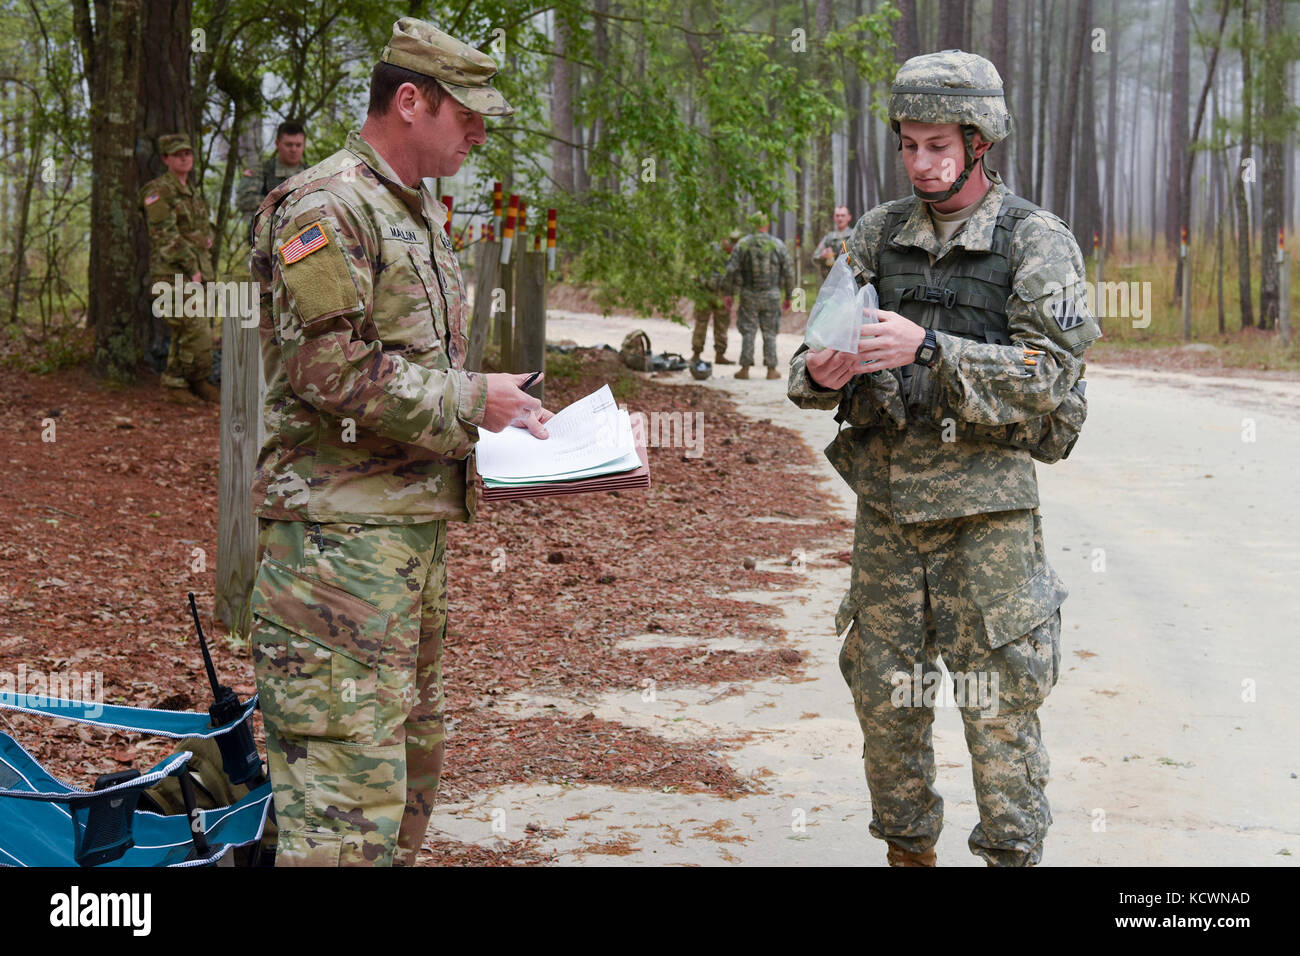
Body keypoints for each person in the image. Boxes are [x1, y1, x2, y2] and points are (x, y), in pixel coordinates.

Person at [247, 17, 553, 867]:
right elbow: (326, 368)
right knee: (345, 804)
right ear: (409, 100)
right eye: (469, 114)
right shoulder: (327, 203)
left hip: (402, 537)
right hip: (335, 550)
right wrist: (467, 401)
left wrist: (497, 417)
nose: (480, 132)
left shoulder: (411, 210)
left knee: (406, 778)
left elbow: (408, 362)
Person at [787, 50, 1099, 867]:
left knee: (999, 709)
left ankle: (1011, 858)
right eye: (908, 145)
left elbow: (1052, 377)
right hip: (888, 516)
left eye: (937, 146)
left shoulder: (1036, 242)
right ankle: (907, 853)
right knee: (886, 706)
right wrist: (820, 371)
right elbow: (809, 361)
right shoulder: (876, 236)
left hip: (987, 520)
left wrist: (931, 349)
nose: (920, 163)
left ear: (980, 140)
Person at [140, 133, 218, 405]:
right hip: (173, 274)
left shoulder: (192, 191)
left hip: (197, 271)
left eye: (187, 153)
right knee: (197, 330)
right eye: (177, 154)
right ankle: (190, 380)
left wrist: (206, 239)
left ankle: (181, 383)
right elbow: (164, 234)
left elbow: (198, 228)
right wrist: (190, 265)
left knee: (187, 330)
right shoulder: (157, 190)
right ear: (165, 159)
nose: (184, 157)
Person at [723, 212, 794, 380]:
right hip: (772, 295)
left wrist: (728, 293)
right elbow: (789, 273)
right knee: (770, 332)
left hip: (749, 294)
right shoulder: (778, 245)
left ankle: (745, 369)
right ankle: (771, 369)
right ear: (767, 225)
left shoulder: (743, 244)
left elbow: (730, 270)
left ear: (753, 225)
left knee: (748, 331)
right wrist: (789, 297)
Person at [236, 120, 308, 234]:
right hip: (266, 238)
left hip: (302, 236)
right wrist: (280, 203)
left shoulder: (311, 174)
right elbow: (244, 200)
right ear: (277, 144)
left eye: (298, 145)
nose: (294, 149)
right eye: (289, 145)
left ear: (304, 145)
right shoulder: (262, 170)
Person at [691, 229, 739, 365]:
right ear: (723, 240)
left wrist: (731, 293)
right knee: (701, 323)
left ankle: (720, 354)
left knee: (722, 325)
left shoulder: (732, 255)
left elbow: (735, 276)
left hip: (722, 294)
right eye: (731, 242)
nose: (732, 246)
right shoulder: (710, 251)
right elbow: (697, 270)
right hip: (706, 293)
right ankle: (696, 353)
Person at [812, 205, 855, 279]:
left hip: (850, 280)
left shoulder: (854, 236)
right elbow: (815, 257)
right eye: (837, 216)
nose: (840, 218)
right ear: (834, 218)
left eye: (843, 215)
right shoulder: (828, 238)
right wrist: (823, 255)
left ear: (849, 217)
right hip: (831, 281)